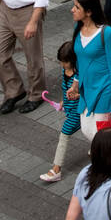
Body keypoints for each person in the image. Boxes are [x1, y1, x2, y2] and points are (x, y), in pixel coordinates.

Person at [68, 0, 111, 138]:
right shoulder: (78, 28)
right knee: (86, 129)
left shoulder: (107, 32)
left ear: (89, 12)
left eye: (77, 7)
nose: (72, 10)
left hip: (104, 90)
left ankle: (105, 157)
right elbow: (80, 61)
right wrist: (75, 84)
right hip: (86, 90)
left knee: (100, 133)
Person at [39, 41, 83, 183]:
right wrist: (64, 101)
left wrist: (78, 95)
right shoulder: (65, 70)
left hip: (79, 111)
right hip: (70, 109)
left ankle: (56, 170)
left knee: (64, 135)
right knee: (91, 131)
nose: (62, 65)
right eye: (61, 62)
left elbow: (89, 91)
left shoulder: (80, 73)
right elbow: (66, 89)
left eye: (65, 62)